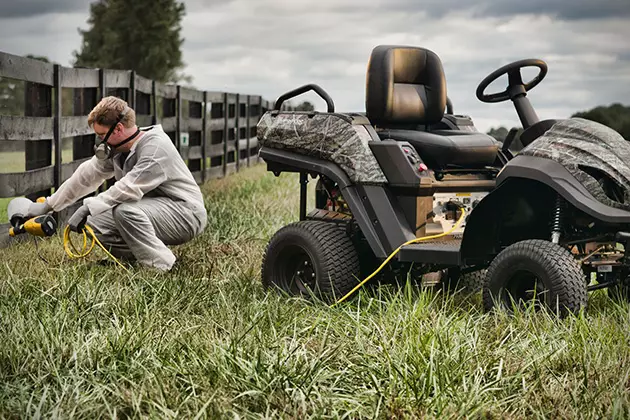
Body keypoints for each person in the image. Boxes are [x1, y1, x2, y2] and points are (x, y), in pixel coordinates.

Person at [26, 96, 207, 271]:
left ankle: (159, 265)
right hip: (153, 210)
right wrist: (49, 204)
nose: (100, 141)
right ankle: (133, 258)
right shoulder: (118, 148)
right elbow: (86, 176)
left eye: (102, 134)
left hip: (185, 214)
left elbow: (127, 188)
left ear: (118, 128)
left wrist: (87, 206)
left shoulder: (155, 149)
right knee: (93, 222)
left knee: (124, 211)